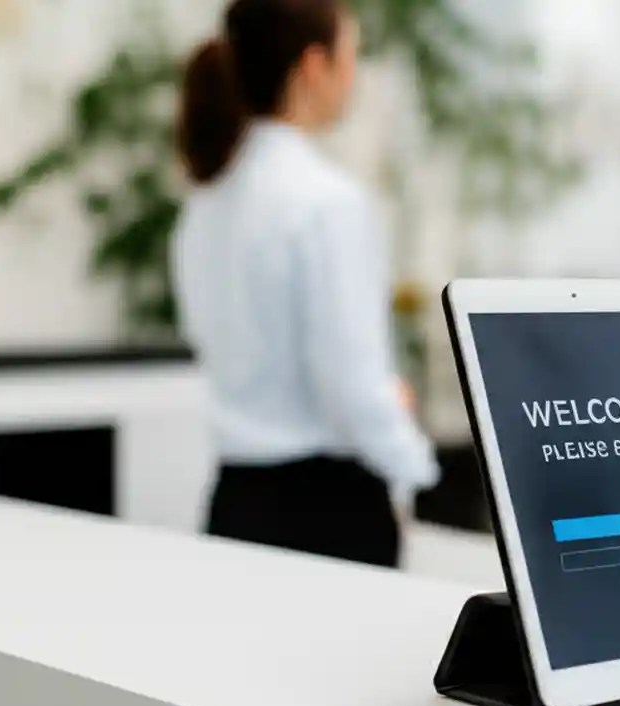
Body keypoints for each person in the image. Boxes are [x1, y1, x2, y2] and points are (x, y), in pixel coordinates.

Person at [172, 0, 438, 568]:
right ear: (313, 66)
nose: (354, 76)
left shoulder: (206, 202)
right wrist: (416, 464)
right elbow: (348, 382)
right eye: (351, 56)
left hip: (235, 504)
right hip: (329, 515)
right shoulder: (326, 203)